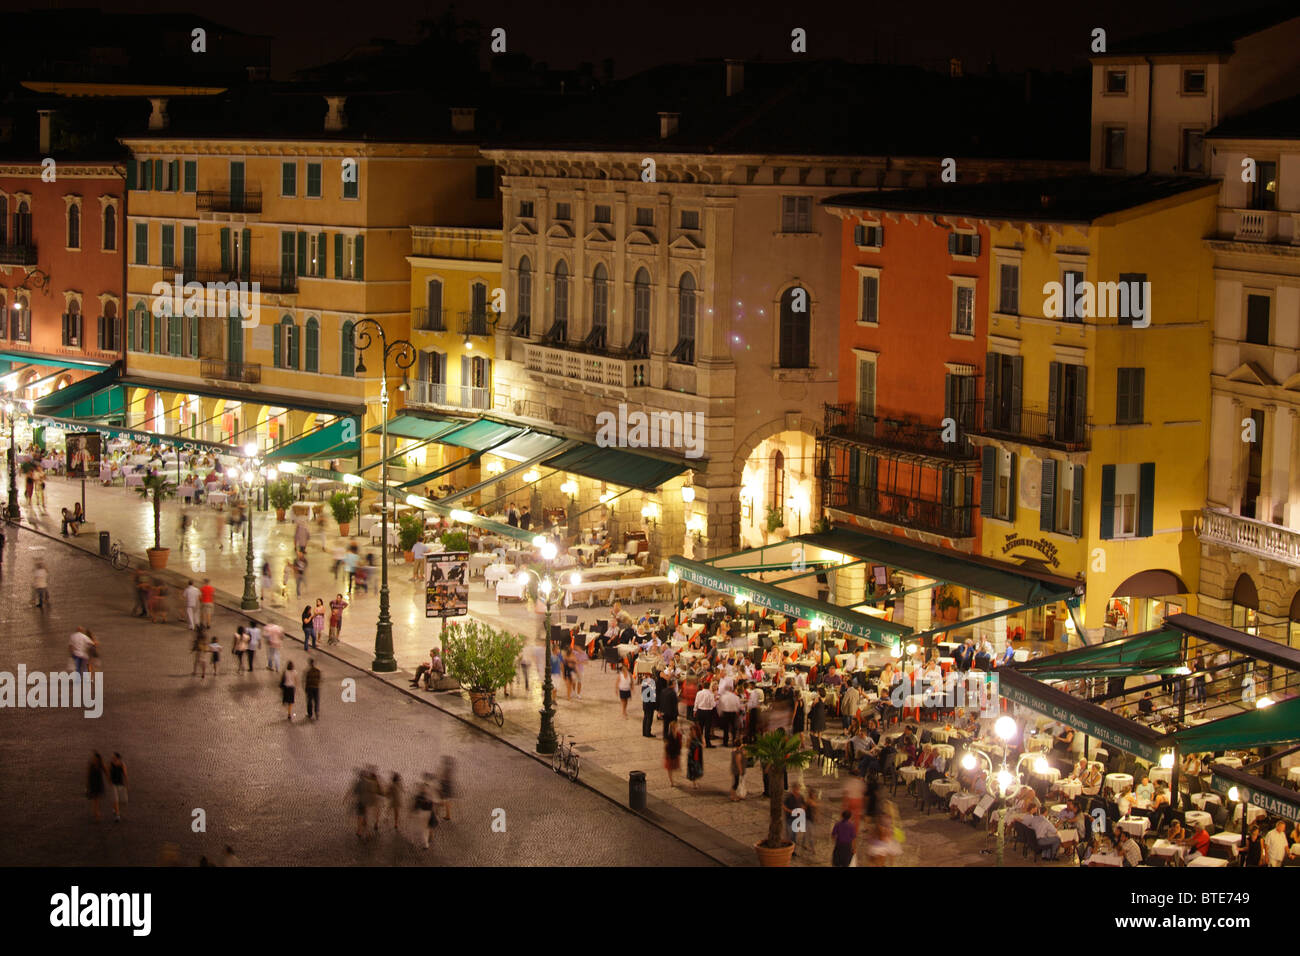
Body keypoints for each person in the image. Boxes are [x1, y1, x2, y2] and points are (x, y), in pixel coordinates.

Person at [86, 752, 107, 822]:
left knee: (96, 800)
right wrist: (87, 784)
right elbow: (88, 775)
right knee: (95, 800)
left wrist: (110, 780)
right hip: (93, 784)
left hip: (98, 784)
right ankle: (96, 814)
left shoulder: (100, 764)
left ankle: (96, 814)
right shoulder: (91, 764)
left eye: (95, 758)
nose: (94, 759)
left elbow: (106, 772)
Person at [108, 753, 128, 822]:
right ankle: (117, 815)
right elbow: (109, 772)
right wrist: (109, 781)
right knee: (116, 799)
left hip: (120, 783)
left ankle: (115, 808)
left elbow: (125, 774)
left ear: (118, 758)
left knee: (122, 800)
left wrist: (126, 783)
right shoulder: (111, 764)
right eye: (112, 757)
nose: (112, 758)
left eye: (114, 757)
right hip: (114, 784)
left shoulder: (122, 764)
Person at [664, 719, 683, 787]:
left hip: (675, 753)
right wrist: (666, 754)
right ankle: (671, 781)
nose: (676, 728)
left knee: (675, 767)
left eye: (676, 727)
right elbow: (666, 745)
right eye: (675, 727)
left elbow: (680, 744)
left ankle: (673, 780)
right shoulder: (669, 735)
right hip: (670, 753)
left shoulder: (678, 735)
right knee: (670, 768)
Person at [438, 755, 456, 821]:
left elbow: (443, 777)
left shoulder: (447, 770)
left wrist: (440, 778)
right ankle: (446, 812)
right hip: (447, 786)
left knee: (446, 800)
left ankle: (448, 815)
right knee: (446, 799)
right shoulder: (449, 769)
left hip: (445, 786)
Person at [686, 723, 704, 789]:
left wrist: (701, 745)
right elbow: (687, 746)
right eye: (691, 730)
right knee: (693, 768)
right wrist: (689, 740)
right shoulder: (689, 737)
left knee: (698, 767)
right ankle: (694, 783)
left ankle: (695, 780)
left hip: (698, 754)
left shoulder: (700, 736)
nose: (692, 731)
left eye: (693, 730)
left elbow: (704, 744)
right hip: (692, 755)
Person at [640, 673, 657, 738]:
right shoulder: (651, 684)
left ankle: (644, 732)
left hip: (645, 703)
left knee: (645, 717)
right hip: (649, 703)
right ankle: (648, 733)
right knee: (649, 718)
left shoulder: (644, 683)